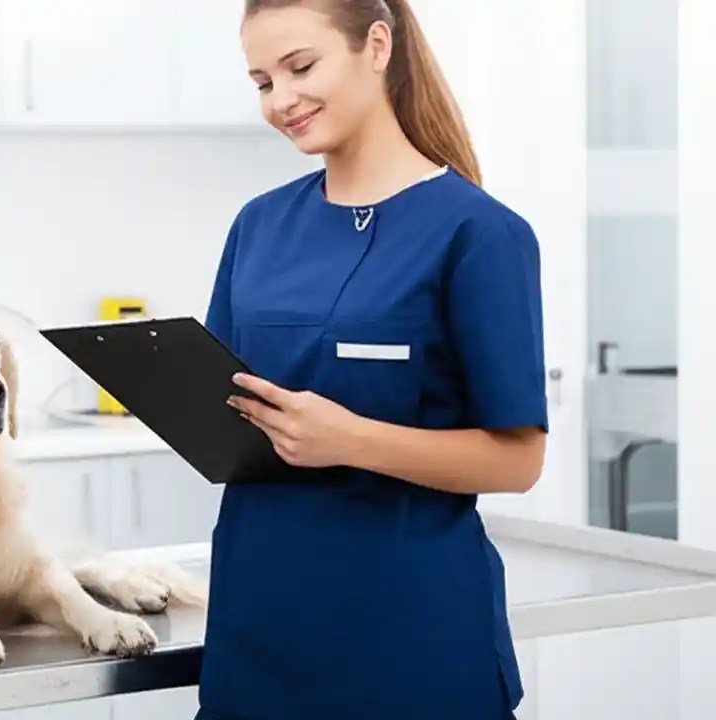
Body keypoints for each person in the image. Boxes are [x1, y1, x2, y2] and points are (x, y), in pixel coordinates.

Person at [198, 0, 547, 718]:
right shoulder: (258, 225)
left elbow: (518, 461)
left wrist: (348, 440)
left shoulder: (480, 234)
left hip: (409, 638)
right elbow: (222, 408)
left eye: (301, 67)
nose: (282, 100)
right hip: (257, 627)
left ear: (378, 46)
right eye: (263, 82)